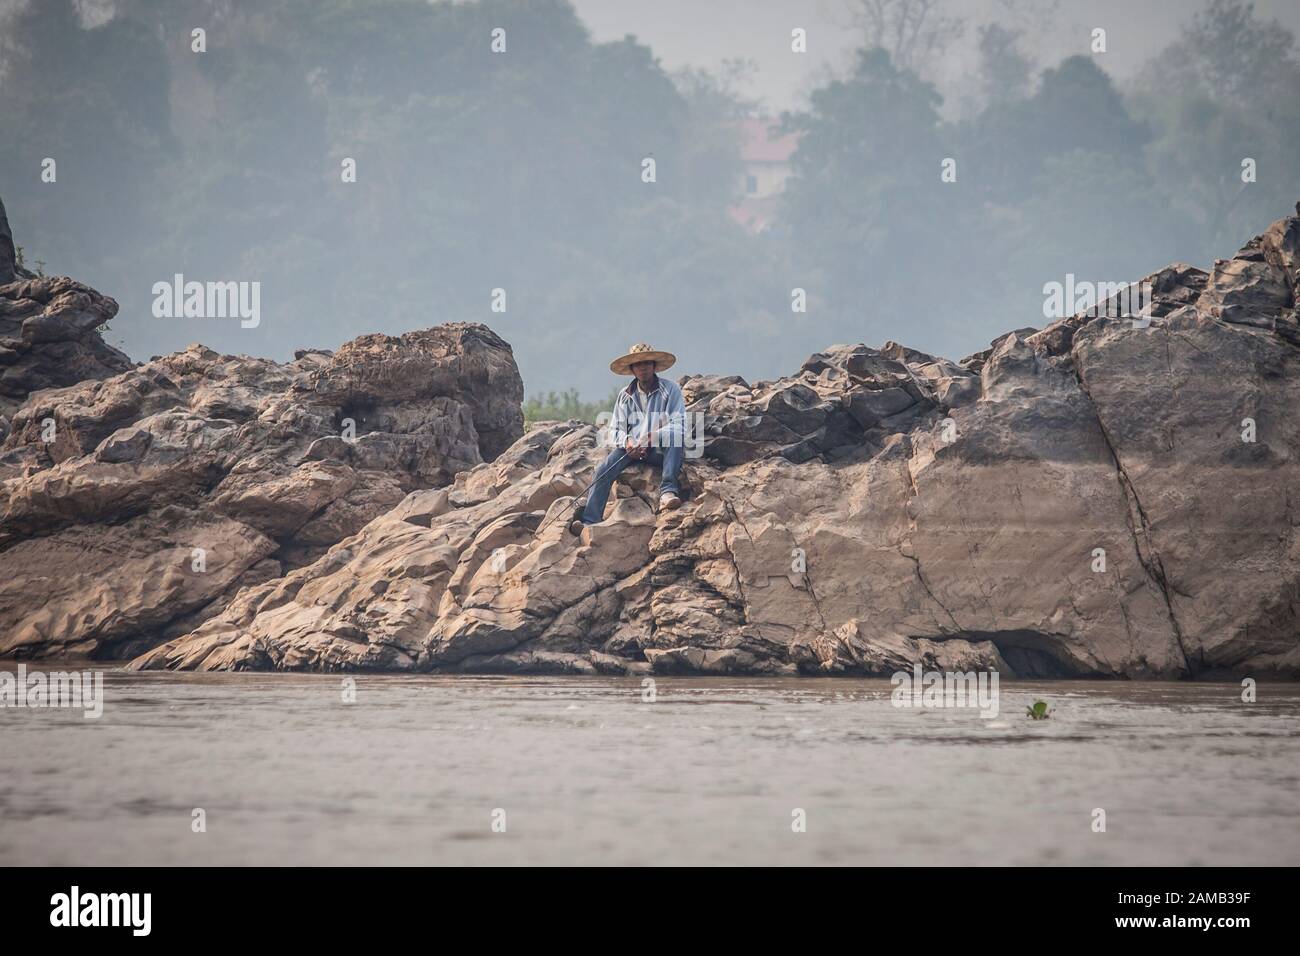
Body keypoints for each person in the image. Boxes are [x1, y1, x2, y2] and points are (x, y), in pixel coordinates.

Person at [570, 342, 685, 535]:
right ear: (632, 369)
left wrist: (654, 436)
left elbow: (679, 424)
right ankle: (590, 521)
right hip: (633, 449)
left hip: (659, 448)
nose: (643, 368)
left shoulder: (670, 389)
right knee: (603, 470)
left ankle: (667, 492)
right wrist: (628, 443)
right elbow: (615, 429)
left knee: (676, 438)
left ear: (654, 366)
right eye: (638, 364)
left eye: (647, 363)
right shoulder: (625, 396)